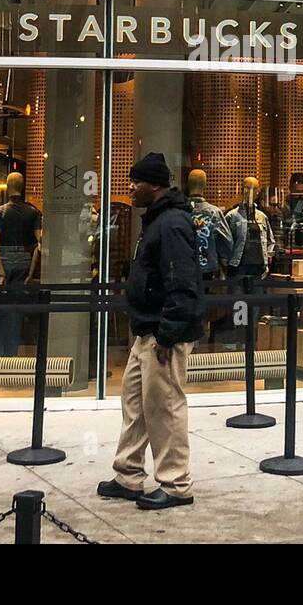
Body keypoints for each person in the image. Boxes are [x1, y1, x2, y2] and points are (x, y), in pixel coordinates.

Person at [98, 153, 203, 511]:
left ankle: (176, 485)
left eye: (135, 181)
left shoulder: (171, 223)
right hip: (148, 330)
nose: (130, 187)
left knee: (165, 407)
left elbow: (182, 283)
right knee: (135, 405)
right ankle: (128, 474)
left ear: (154, 184)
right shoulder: (157, 220)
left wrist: (168, 334)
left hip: (162, 335)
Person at [0, 171, 42, 356]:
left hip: (4, 260)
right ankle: (11, 355)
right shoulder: (33, 212)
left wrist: (1, 272)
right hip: (24, 263)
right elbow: (39, 246)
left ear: (7, 186)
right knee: (15, 311)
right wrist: (30, 273)